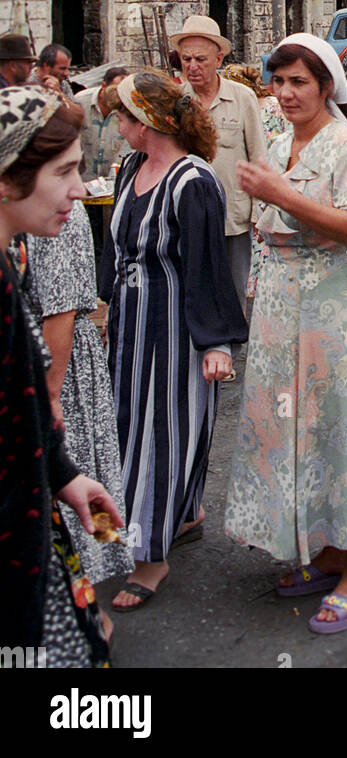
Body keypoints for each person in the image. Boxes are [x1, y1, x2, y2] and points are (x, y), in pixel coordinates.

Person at [224, 34, 347, 633]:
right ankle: (331, 551)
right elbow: (264, 230)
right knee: (300, 429)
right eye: (279, 81)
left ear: (325, 87)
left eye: (300, 82)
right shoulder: (279, 143)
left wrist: (281, 195)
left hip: (336, 309)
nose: (286, 93)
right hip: (282, 308)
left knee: (343, 430)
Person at [101, 71, 248, 610]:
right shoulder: (131, 168)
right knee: (126, 428)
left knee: (164, 433)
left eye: (123, 117)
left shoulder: (193, 181)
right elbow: (114, 248)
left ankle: (149, 558)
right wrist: (104, 304)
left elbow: (208, 264)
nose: (117, 126)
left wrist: (216, 342)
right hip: (130, 323)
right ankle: (184, 516)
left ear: (148, 122)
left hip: (175, 327)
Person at [0, 87, 123, 663]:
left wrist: (64, 475)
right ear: (8, 179)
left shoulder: (15, 254)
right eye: (64, 172)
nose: (79, 188)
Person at [24, 200, 133, 589]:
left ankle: (92, 577)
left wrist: (51, 394)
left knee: (77, 464)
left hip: (59, 359)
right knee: (81, 464)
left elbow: (61, 311)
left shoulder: (51, 210)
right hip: (54, 354)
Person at [171, 15, 267, 310]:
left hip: (232, 216)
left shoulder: (242, 98)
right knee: (191, 292)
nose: (192, 66)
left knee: (233, 294)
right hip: (186, 216)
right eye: (186, 59)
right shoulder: (176, 102)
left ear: (219, 58)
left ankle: (234, 339)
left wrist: (258, 212)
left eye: (200, 59)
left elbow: (258, 156)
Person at [222, 64, 290, 313]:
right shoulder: (241, 109)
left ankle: (259, 289)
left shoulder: (268, 106)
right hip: (255, 179)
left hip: (269, 177)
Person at [77, 66, 131, 181]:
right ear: (103, 86)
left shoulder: (127, 110)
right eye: (115, 90)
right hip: (80, 180)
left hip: (110, 182)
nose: (119, 96)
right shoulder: (80, 102)